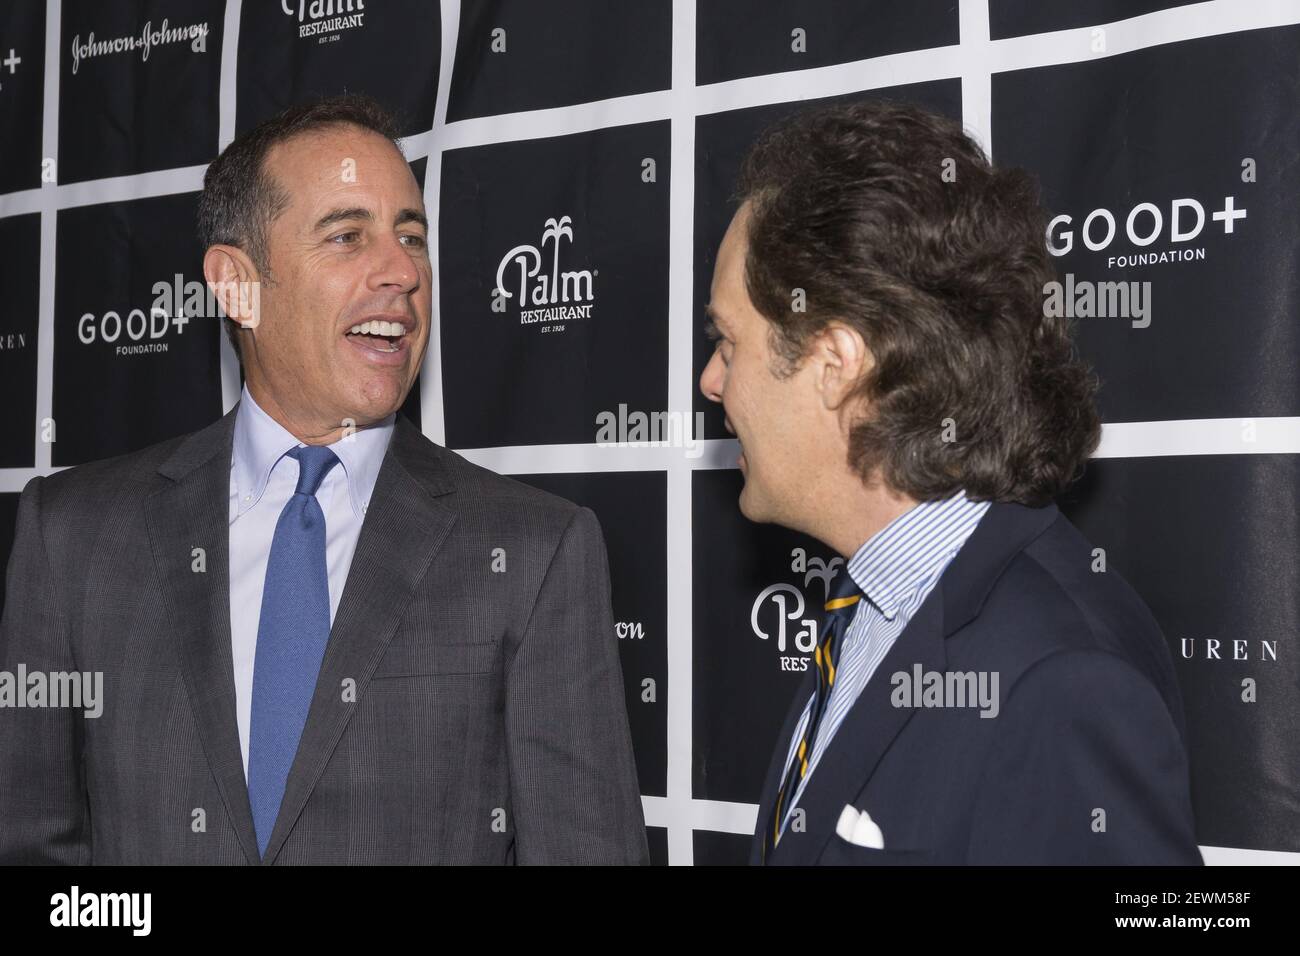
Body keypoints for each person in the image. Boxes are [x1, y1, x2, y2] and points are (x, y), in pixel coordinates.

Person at [0, 94, 647, 865]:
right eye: (348, 236)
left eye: (413, 236)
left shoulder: (533, 550)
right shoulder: (71, 535)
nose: (402, 270)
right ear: (236, 285)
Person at [698, 99, 1200, 865]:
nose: (710, 382)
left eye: (728, 343)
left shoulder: (1066, 681)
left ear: (836, 362)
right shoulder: (867, 605)